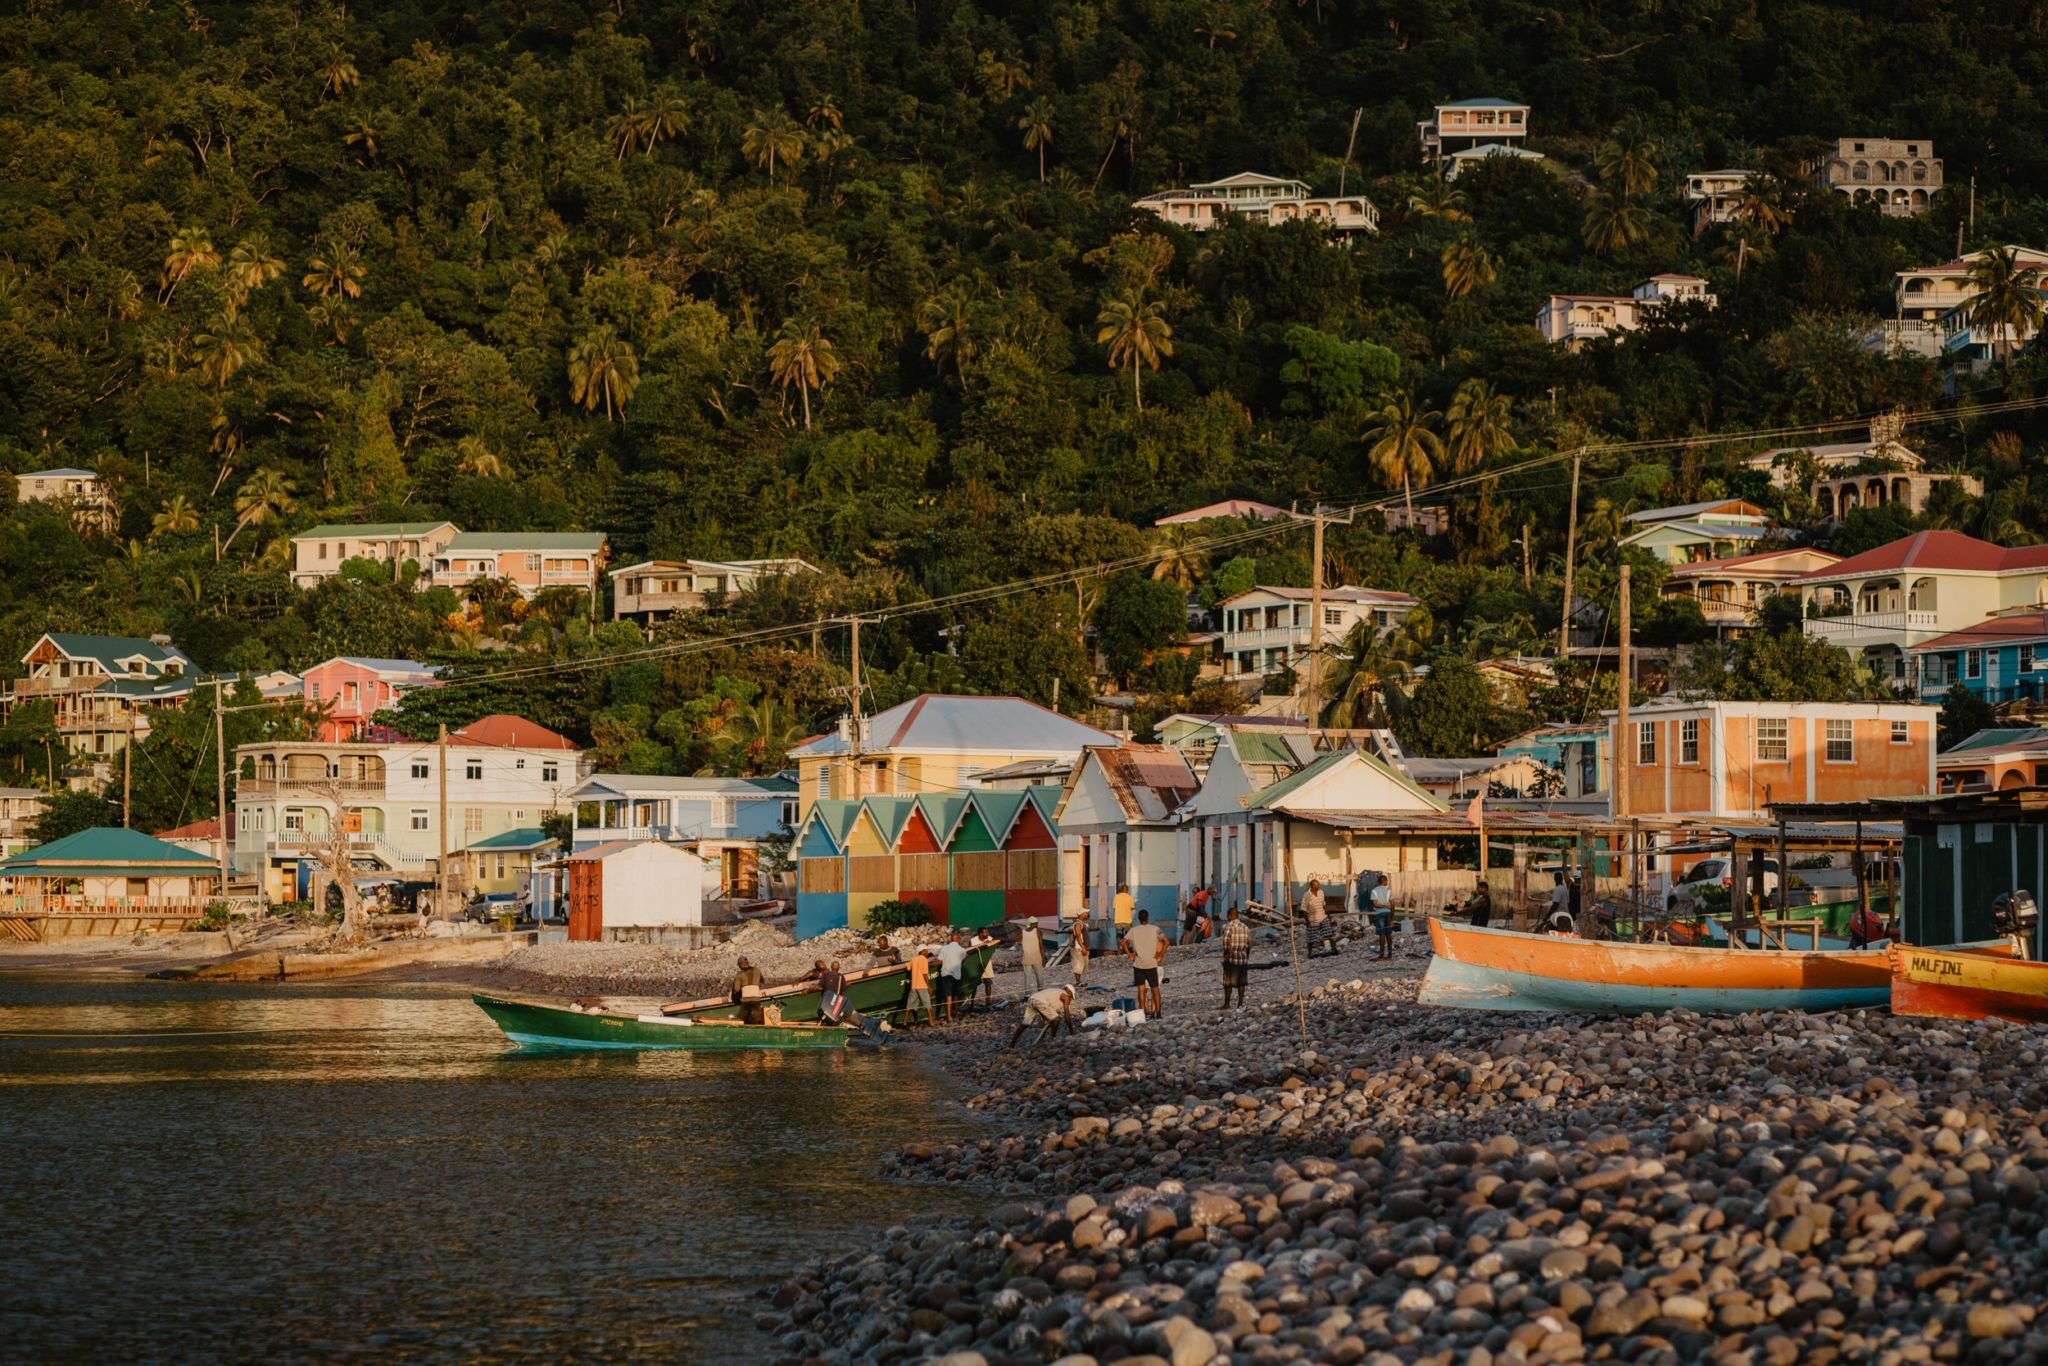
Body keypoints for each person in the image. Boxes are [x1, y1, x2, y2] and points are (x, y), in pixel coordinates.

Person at [1122, 908, 1166, 1017]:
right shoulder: (1155, 929)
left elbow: (1123, 942)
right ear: (1148, 917)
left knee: (1141, 990)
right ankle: (1158, 1013)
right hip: (1151, 963)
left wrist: (1130, 955)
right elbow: (1166, 942)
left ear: (1138, 918)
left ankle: (1142, 1014)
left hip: (1139, 964)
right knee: (1155, 989)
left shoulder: (1133, 930)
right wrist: (1160, 955)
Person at [1009, 984, 1076, 1045]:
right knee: (1056, 1019)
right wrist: (1071, 1030)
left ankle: (1012, 1044)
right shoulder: (1066, 996)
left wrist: (1046, 1020)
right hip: (1040, 1001)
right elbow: (1067, 1016)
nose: (1070, 1000)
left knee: (1025, 1024)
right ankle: (1052, 1039)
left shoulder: (1055, 991)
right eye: (1071, 997)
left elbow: (1044, 1007)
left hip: (1031, 999)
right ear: (1069, 993)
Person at [1221, 905, 1251, 1010]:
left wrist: (1226, 955)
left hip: (1231, 958)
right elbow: (1248, 944)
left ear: (1229, 916)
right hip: (1243, 958)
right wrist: (1246, 956)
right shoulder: (1245, 927)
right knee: (1241, 982)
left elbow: (1226, 943)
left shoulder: (1228, 927)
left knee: (1228, 982)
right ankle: (1240, 1004)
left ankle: (1227, 1004)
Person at [935, 930, 968, 1023]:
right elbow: (965, 956)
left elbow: (939, 962)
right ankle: (956, 1013)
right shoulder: (962, 950)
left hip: (946, 974)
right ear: (958, 940)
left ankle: (948, 1016)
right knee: (955, 995)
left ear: (951, 939)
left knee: (948, 996)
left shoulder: (944, 949)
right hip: (957, 975)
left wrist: (929, 964)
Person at [905, 947, 934, 1026]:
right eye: (926, 950)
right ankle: (931, 1021)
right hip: (922, 986)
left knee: (909, 1005)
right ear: (923, 951)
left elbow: (908, 968)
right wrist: (929, 986)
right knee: (927, 1004)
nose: (928, 952)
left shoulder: (914, 959)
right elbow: (925, 974)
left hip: (914, 986)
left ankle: (904, 1022)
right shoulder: (924, 960)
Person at [731, 956, 765, 1023]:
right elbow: (762, 982)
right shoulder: (757, 970)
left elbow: (736, 989)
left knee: (743, 1021)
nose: (739, 967)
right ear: (747, 962)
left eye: (739, 965)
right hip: (756, 999)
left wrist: (735, 1000)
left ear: (740, 964)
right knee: (757, 1020)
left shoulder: (739, 975)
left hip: (745, 1001)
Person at [1018, 917, 1047, 993]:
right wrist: (1044, 957)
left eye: (1037, 923)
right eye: (1035, 923)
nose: (1036, 925)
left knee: (1027, 977)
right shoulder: (1038, 931)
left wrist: (1001, 940)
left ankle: (1027, 995)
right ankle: (1041, 993)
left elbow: (1014, 939)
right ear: (1030, 924)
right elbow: (1041, 946)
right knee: (1039, 977)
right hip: (1037, 957)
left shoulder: (1022, 932)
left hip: (1027, 958)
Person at [1302, 877, 1329, 956]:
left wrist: (1328, 915)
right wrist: (1307, 921)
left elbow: (1324, 904)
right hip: (1313, 920)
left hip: (1323, 917)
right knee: (1311, 937)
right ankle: (1309, 952)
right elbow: (1303, 909)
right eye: (1317, 885)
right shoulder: (1307, 895)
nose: (1319, 886)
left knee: (1327, 934)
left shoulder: (1321, 892)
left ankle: (1328, 949)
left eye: (1319, 885)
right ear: (1312, 886)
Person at [1371, 874, 1395, 960]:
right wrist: (1392, 918)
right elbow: (1392, 905)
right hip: (1388, 914)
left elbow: (1375, 904)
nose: (1387, 882)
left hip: (1379, 914)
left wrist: (1383, 906)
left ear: (1379, 882)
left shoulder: (1374, 890)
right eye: (1386, 881)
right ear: (1384, 881)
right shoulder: (1389, 891)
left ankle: (1381, 955)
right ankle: (1390, 954)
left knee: (1382, 934)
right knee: (1388, 934)